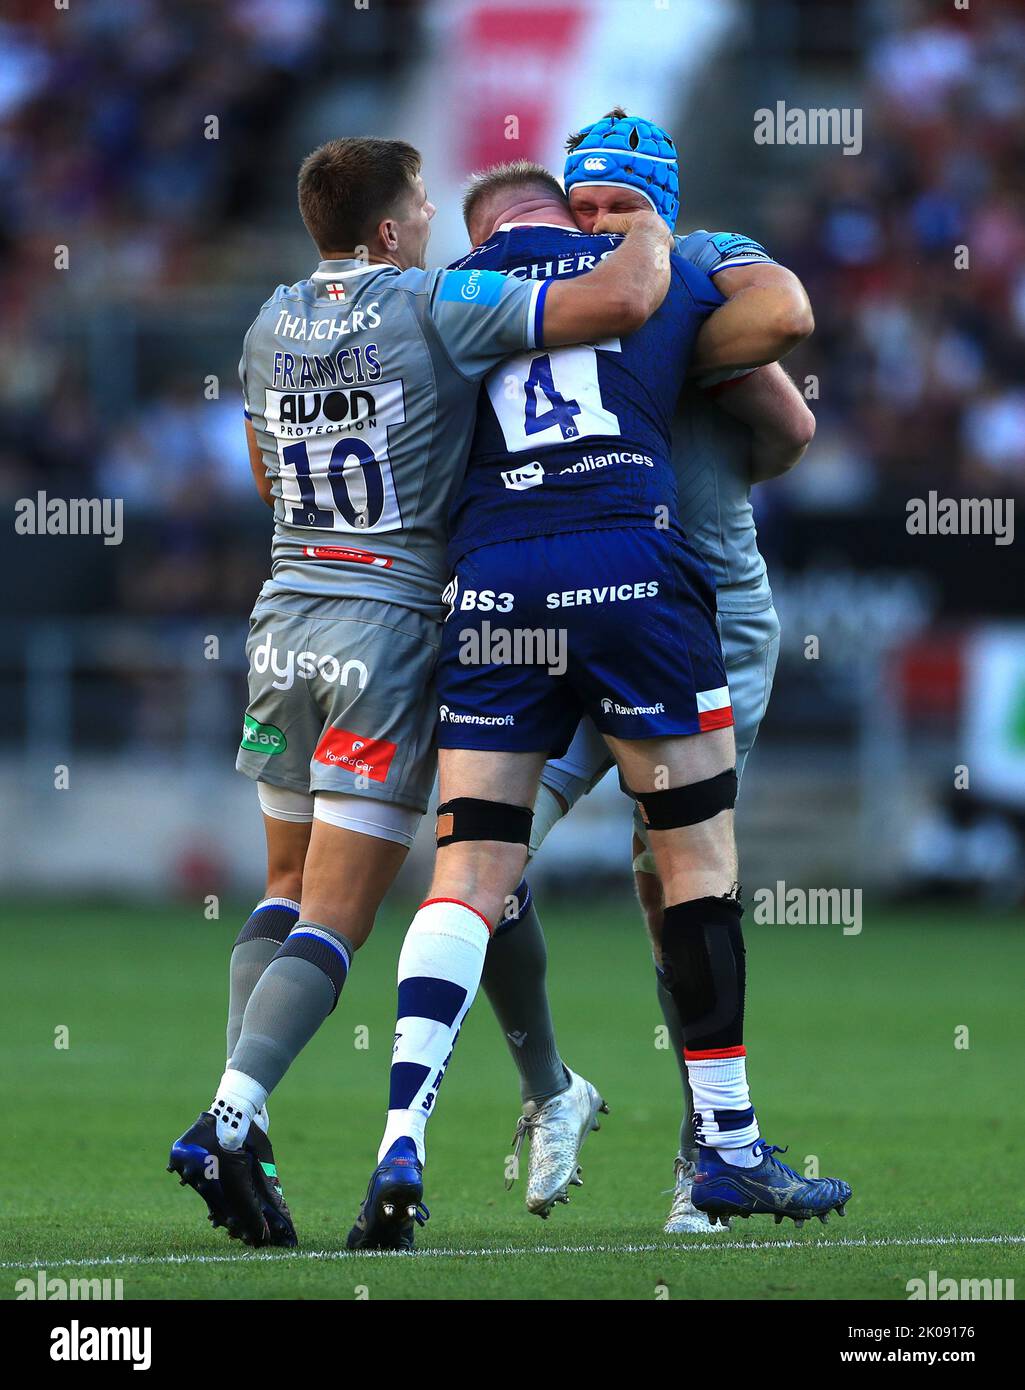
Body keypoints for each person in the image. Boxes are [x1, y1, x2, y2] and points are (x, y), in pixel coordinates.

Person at [166, 134, 676, 1247]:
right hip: (387, 628)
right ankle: (231, 1111)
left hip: (281, 621)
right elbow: (623, 299)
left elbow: (262, 471)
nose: (434, 221)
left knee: (287, 883)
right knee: (351, 912)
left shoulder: (267, 321)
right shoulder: (435, 300)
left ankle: (242, 1116)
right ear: (393, 229)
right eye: (424, 206)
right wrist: (643, 216)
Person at [347, 156, 850, 1250]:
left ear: (482, 233)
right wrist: (668, 241)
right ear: (561, 214)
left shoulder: (454, 298)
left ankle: (399, 1138)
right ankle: (725, 1144)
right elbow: (786, 371)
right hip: (635, 581)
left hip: (491, 588)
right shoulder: (650, 272)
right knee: (691, 863)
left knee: (469, 870)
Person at [479, 111, 819, 1236]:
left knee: (669, 878)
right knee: (477, 863)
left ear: (661, 204)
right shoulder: (565, 290)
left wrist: (657, 334)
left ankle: (704, 1156)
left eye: (616, 205)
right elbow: (785, 439)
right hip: (587, 603)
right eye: (578, 204)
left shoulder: (704, 264)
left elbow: (787, 392)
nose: (591, 223)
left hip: (700, 616)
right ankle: (552, 1091)